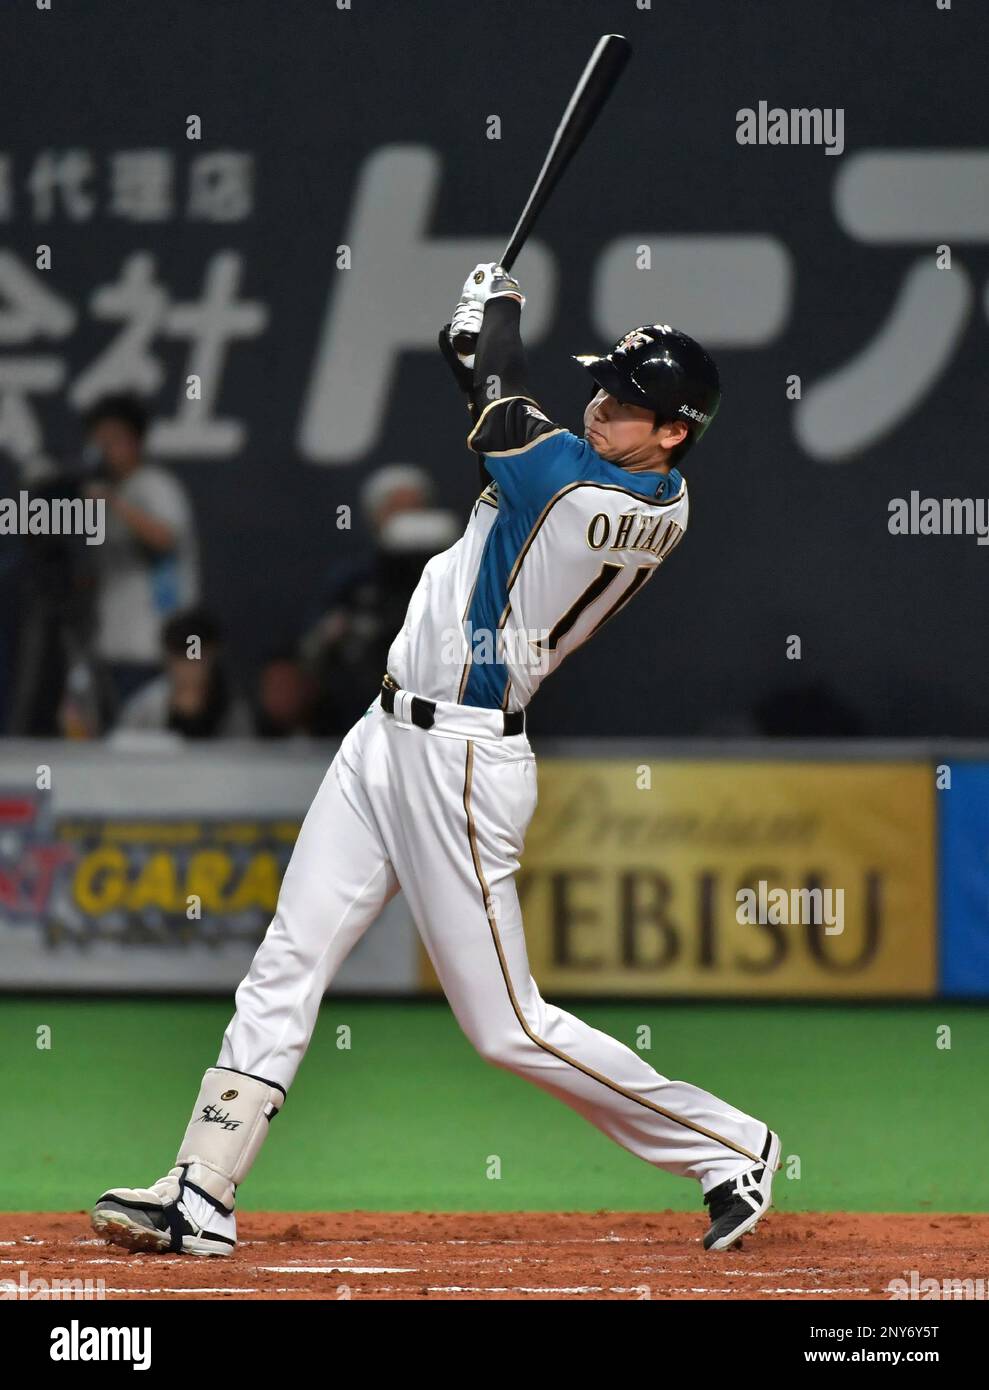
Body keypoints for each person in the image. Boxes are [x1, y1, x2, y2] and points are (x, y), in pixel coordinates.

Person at [91, 263, 779, 1259]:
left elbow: (499, 402)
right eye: (602, 389)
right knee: (291, 954)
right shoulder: (609, 475)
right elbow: (494, 398)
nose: (602, 407)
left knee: (506, 1025)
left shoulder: (595, 498)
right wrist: (473, 344)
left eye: (627, 405)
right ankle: (201, 1187)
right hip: (383, 736)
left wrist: (491, 314)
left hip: (461, 755)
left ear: (672, 435)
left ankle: (727, 1142)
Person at [82, 394, 200, 710]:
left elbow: (165, 539)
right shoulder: (101, 492)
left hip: (156, 645)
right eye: (99, 443)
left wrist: (114, 503)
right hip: (112, 646)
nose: (106, 451)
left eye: (114, 441)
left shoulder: (155, 486)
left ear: (137, 441)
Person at [114, 606, 252, 739]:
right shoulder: (144, 708)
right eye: (180, 659)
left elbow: (243, 754)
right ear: (168, 660)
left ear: (213, 654)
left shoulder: (233, 708)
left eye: (196, 658)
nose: (188, 669)